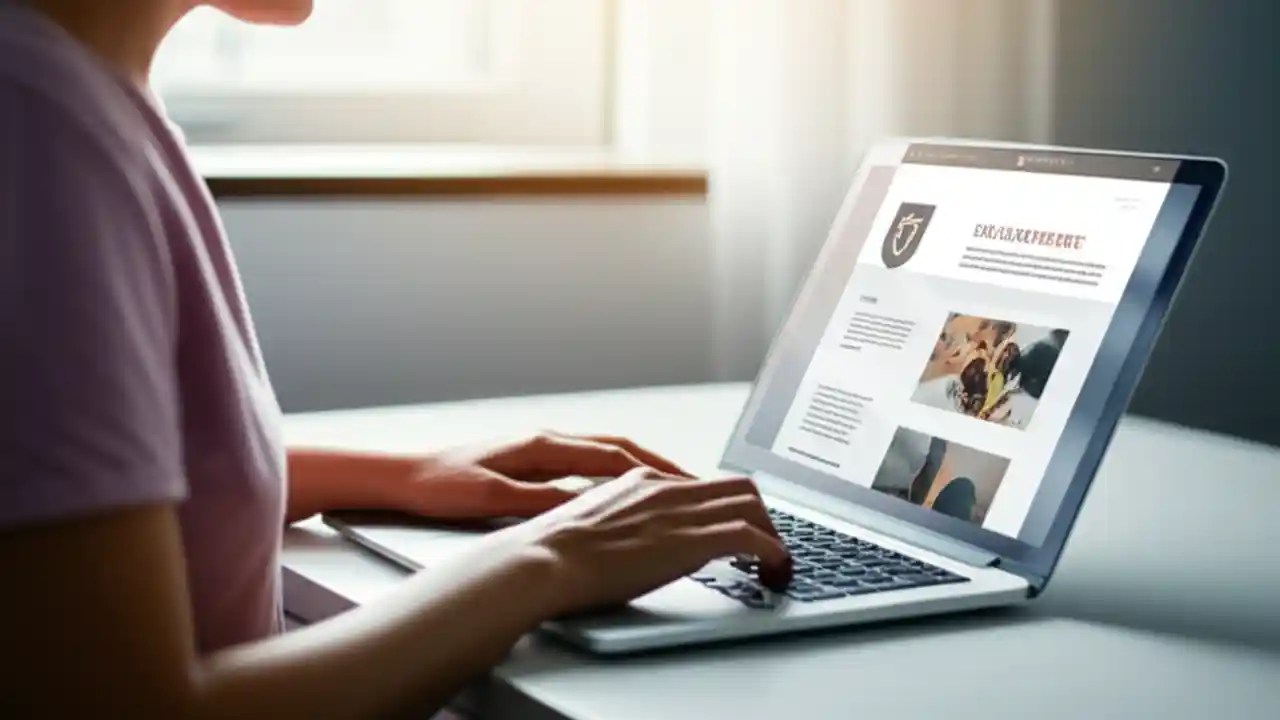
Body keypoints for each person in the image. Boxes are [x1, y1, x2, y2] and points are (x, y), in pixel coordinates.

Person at [0, 1, 792, 717]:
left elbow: (89, 482)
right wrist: (546, 558)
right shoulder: (39, 131)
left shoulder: (76, 91)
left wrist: (401, 475)